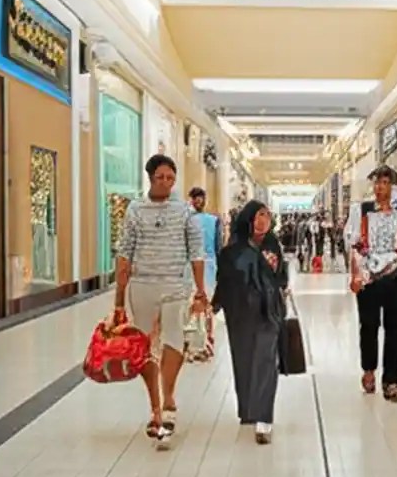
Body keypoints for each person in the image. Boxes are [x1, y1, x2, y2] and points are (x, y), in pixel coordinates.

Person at [114, 154, 207, 449]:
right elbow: (124, 253)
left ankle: (168, 399)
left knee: (174, 341)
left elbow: (196, 252)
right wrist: (118, 301)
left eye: (171, 178)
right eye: (160, 177)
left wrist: (201, 290)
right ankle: (155, 407)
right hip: (142, 285)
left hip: (176, 286)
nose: (166, 183)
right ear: (150, 178)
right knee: (144, 346)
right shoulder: (135, 210)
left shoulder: (185, 211)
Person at [346, 164, 397, 403]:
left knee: (394, 327)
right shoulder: (362, 210)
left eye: (385, 182)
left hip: (396, 276)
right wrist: (355, 275)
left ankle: (392, 380)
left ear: (393, 186)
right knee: (368, 325)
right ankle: (369, 369)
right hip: (369, 277)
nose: (380, 187)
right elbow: (353, 243)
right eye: (377, 182)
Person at [213, 200, 288, 444]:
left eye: (266, 215)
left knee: (266, 360)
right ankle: (247, 409)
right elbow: (224, 281)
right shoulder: (232, 250)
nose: (262, 220)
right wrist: (213, 305)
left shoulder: (273, 245)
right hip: (240, 313)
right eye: (258, 215)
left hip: (269, 311)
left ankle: (263, 415)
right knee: (244, 359)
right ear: (248, 219)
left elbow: (282, 278)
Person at [187, 187, 223, 296]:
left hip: (189, 267)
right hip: (210, 265)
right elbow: (218, 246)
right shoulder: (214, 220)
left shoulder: (186, 220)